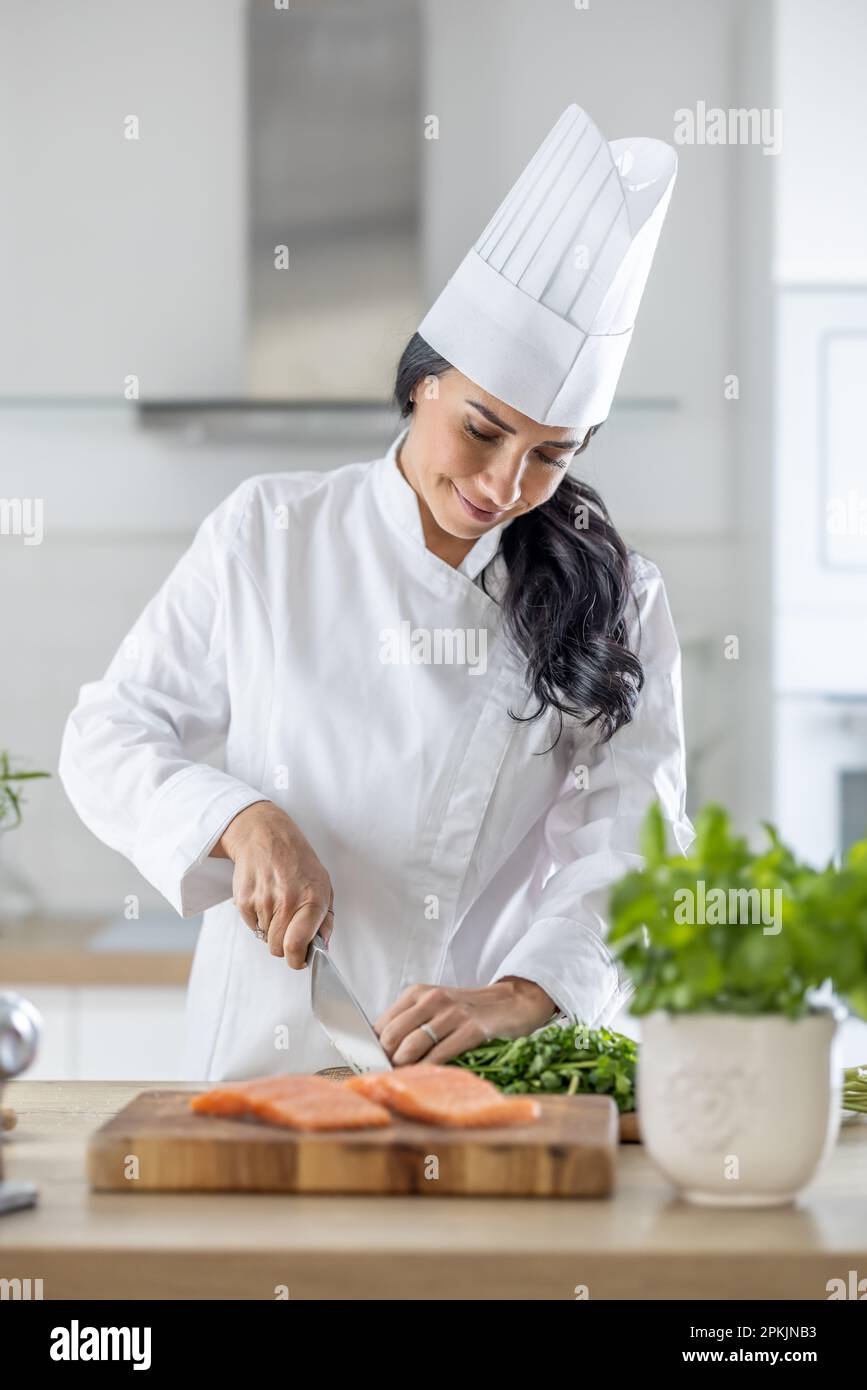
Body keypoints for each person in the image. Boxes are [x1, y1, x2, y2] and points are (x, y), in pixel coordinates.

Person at [58, 103, 693, 1080]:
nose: (503, 485)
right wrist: (241, 817)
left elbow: (639, 851)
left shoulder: (619, 599)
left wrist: (524, 995)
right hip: (256, 1066)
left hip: (483, 1070)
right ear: (421, 384)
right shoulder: (267, 533)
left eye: (548, 457)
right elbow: (106, 737)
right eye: (482, 431)